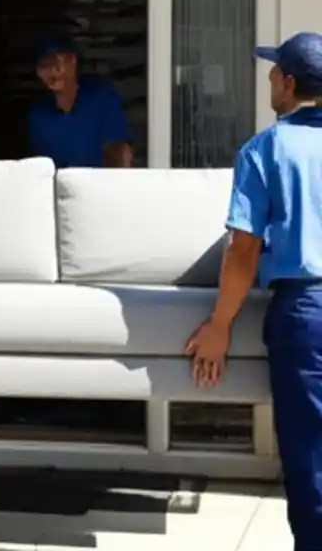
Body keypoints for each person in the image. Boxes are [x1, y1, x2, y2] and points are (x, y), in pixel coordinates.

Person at [186, 31, 322, 551]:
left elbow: (243, 250)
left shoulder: (266, 148)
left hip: (308, 318)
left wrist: (219, 325)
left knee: (312, 461)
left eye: (271, 71)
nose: (267, 79)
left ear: (288, 83)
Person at [28, 30, 133, 168]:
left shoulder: (102, 97)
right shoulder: (39, 116)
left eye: (58, 63)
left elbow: (120, 153)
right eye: (44, 66)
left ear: (73, 60)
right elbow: (43, 169)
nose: (53, 72)